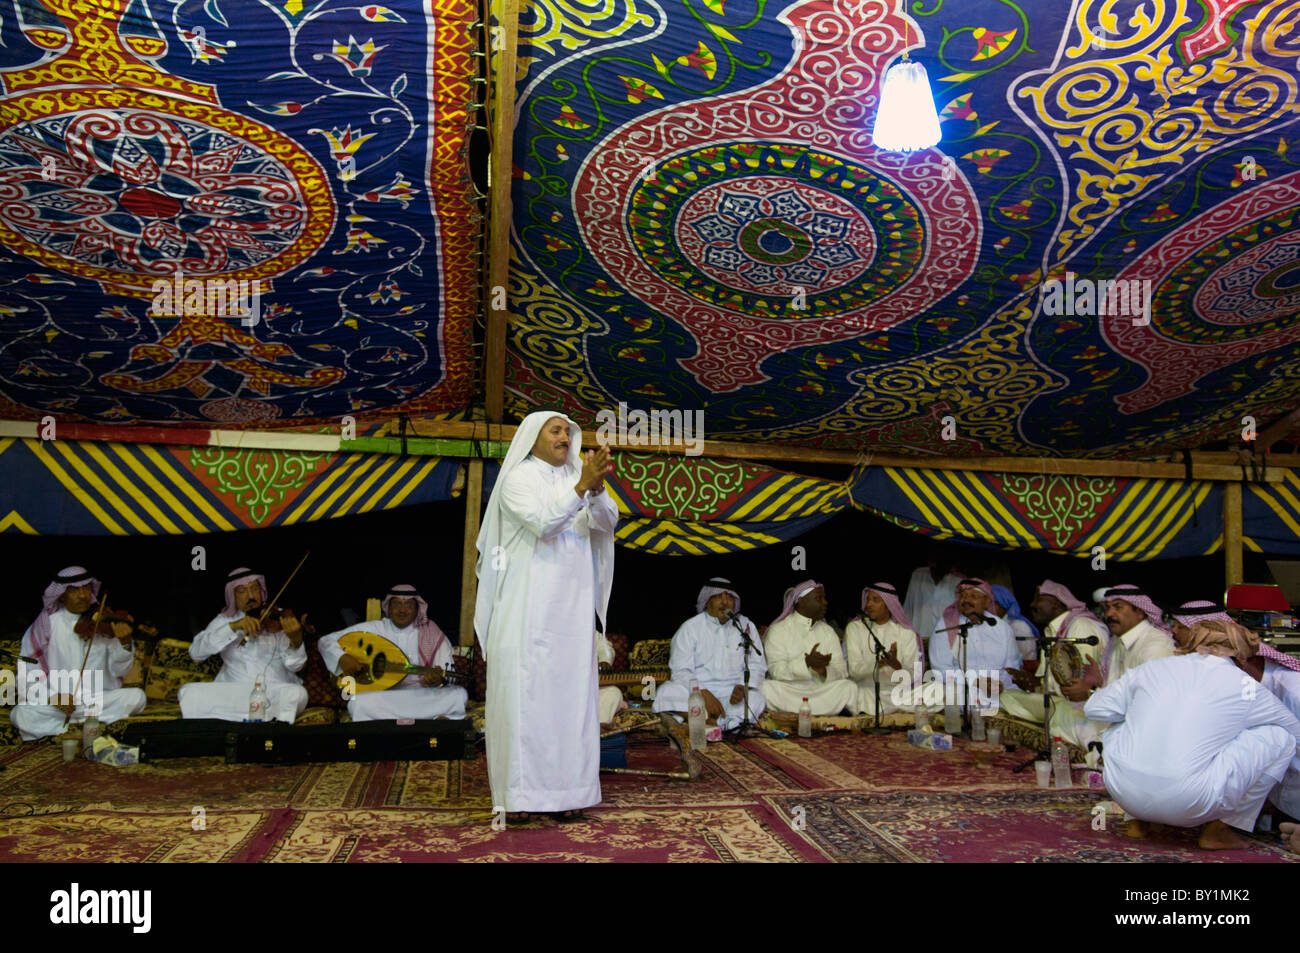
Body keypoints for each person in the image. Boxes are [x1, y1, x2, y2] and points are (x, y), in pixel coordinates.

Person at [474, 410, 618, 822]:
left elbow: (610, 522)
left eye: (568, 432)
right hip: (527, 613)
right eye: (555, 430)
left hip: (571, 619)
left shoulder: (577, 478)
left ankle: (568, 794)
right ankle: (518, 799)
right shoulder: (518, 478)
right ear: (531, 438)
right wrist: (581, 486)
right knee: (525, 703)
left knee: (570, 704)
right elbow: (543, 523)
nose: (564, 437)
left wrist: (596, 488)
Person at [1086, 619, 1300, 849]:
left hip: (1122, 792)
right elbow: (1293, 731)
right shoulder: (1245, 684)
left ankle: (1137, 822)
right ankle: (1219, 831)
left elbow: (1094, 708)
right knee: (1279, 736)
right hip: (1191, 804)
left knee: (1121, 718)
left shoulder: (1152, 668)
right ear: (1239, 653)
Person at [11, 566, 147, 741]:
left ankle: (65, 729)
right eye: (74, 590)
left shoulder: (105, 623)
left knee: (137, 697)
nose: (83, 595)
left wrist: (125, 643)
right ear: (61, 594)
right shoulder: (47, 625)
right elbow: (28, 672)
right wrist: (53, 697)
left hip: (97, 700)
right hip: (60, 705)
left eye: (86, 588)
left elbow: (119, 671)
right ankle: (88, 727)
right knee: (20, 713)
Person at [317, 583, 467, 722]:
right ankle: (428, 720)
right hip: (384, 695)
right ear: (388, 607)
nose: (402, 610)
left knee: (459, 695)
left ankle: (394, 722)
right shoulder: (374, 629)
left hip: (421, 694)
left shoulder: (431, 632)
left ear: (417, 609)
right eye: (397, 605)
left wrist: (438, 681)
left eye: (408, 605)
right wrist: (342, 657)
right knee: (358, 703)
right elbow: (325, 641)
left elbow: (448, 674)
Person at [179, 568, 309, 724]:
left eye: (254, 588)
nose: (251, 596)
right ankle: (265, 720)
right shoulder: (224, 621)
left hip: (272, 692)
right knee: (188, 692)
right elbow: (196, 653)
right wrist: (234, 627)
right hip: (235, 692)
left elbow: (295, 666)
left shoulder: (280, 619)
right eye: (242, 591)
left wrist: (296, 640)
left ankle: (230, 719)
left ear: (261, 590)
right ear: (233, 596)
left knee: (298, 694)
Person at [998, 580, 1112, 754]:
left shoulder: (1081, 626)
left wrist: (1041, 686)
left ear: (1057, 604)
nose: (1032, 604)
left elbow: (1077, 685)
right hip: (1058, 701)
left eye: (1038, 599)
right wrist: (1031, 681)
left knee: (1011, 699)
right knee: (1007, 696)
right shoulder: (1054, 630)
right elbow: (1052, 682)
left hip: (1078, 706)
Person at [652, 578, 766, 730]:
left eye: (730, 597)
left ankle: (708, 721)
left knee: (757, 698)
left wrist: (742, 686)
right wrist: (702, 692)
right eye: (719, 596)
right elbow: (680, 670)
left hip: (731, 693)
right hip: (698, 690)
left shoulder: (745, 627)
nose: (725, 602)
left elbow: (757, 664)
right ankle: (723, 722)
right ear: (707, 601)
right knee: (666, 692)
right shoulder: (690, 628)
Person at [760, 581, 859, 716]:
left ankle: (806, 714)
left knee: (849, 687)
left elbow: (842, 671)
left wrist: (824, 670)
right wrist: (806, 664)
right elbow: (776, 671)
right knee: (766, 688)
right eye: (819, 598)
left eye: (824, 598)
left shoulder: (828, 631)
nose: (825, 603)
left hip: (821, 691)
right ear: (801, 601)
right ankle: (824, 714)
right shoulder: (778, 630)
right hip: (791, 692)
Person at [927, 578, 1020, 709]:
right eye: (963, 596)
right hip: (961, 688)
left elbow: (1012, 666)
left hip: (999, 690)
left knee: (1023, 704)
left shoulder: (1001, 628)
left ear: (987, 601)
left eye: (973, 596)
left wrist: (999, 684)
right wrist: (976, 682)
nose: (966, 600)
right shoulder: (945, 625)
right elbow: (940, 669)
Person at [844, 582, 922, 715]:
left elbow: (915, 674)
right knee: (853, 690)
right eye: (868, 599)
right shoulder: (855, 628)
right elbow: (854, 671)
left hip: (898, 693)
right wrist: (878, 664)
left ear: (889, 604)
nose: (869, 604)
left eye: (875, 600)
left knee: (937, 691)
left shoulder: (906, 633)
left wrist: (896, 666)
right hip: (867, 690)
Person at [1100, 584, 1176, 679]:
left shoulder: (1156, 645)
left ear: (1140, 612)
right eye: (1107, 608)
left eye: (1118, 607)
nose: (1108, 614)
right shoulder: (1116, 642)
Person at [903, 549, 962, 658]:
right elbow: (908, 607)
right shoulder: (918, 575)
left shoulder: (958, 581)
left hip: (945, 643)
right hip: (918, 640)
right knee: (918, 673)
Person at [991, 584, 1038, 664]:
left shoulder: (1017, 626)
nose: (987, 609)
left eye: (991, 604)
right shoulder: (996, 625)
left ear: (1003, 604)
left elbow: (1025, 659)